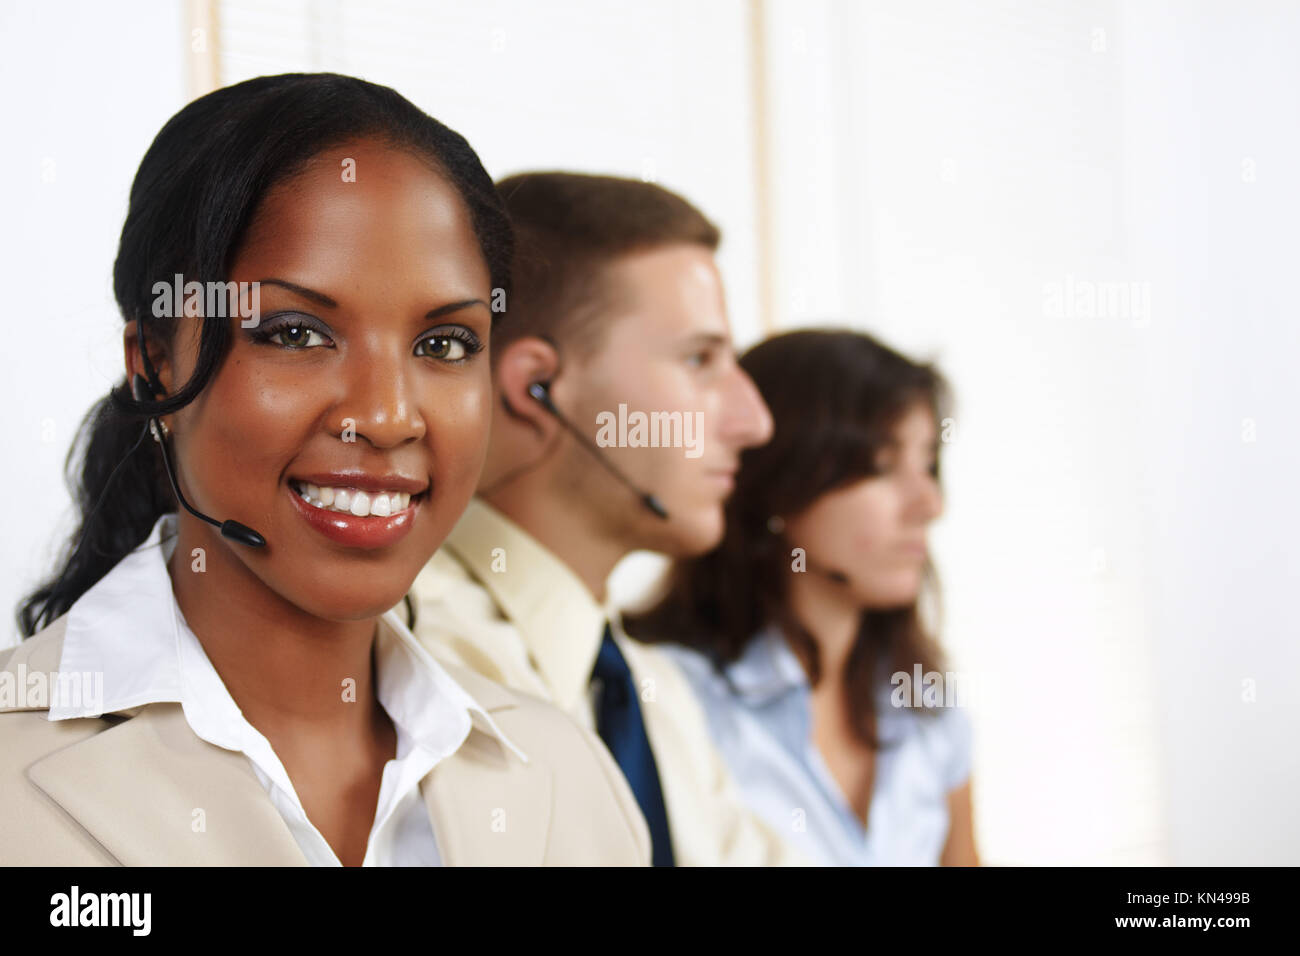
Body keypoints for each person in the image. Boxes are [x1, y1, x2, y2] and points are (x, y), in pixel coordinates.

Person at [2, 74, 648, 866]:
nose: (385, 416)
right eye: (296, 333)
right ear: (155, 372)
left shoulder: (569, 779)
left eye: (444, 344)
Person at [404, 171, 804, 866]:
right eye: (700, 360)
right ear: (538, 389)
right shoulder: (404, 658)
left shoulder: (659, 695)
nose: (755, 420)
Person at [625, 329, 980, 866]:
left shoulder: (924, 703)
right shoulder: (667, 701)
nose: (929, 502)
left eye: (928, 464)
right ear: (780, 483)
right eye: (882, 468)